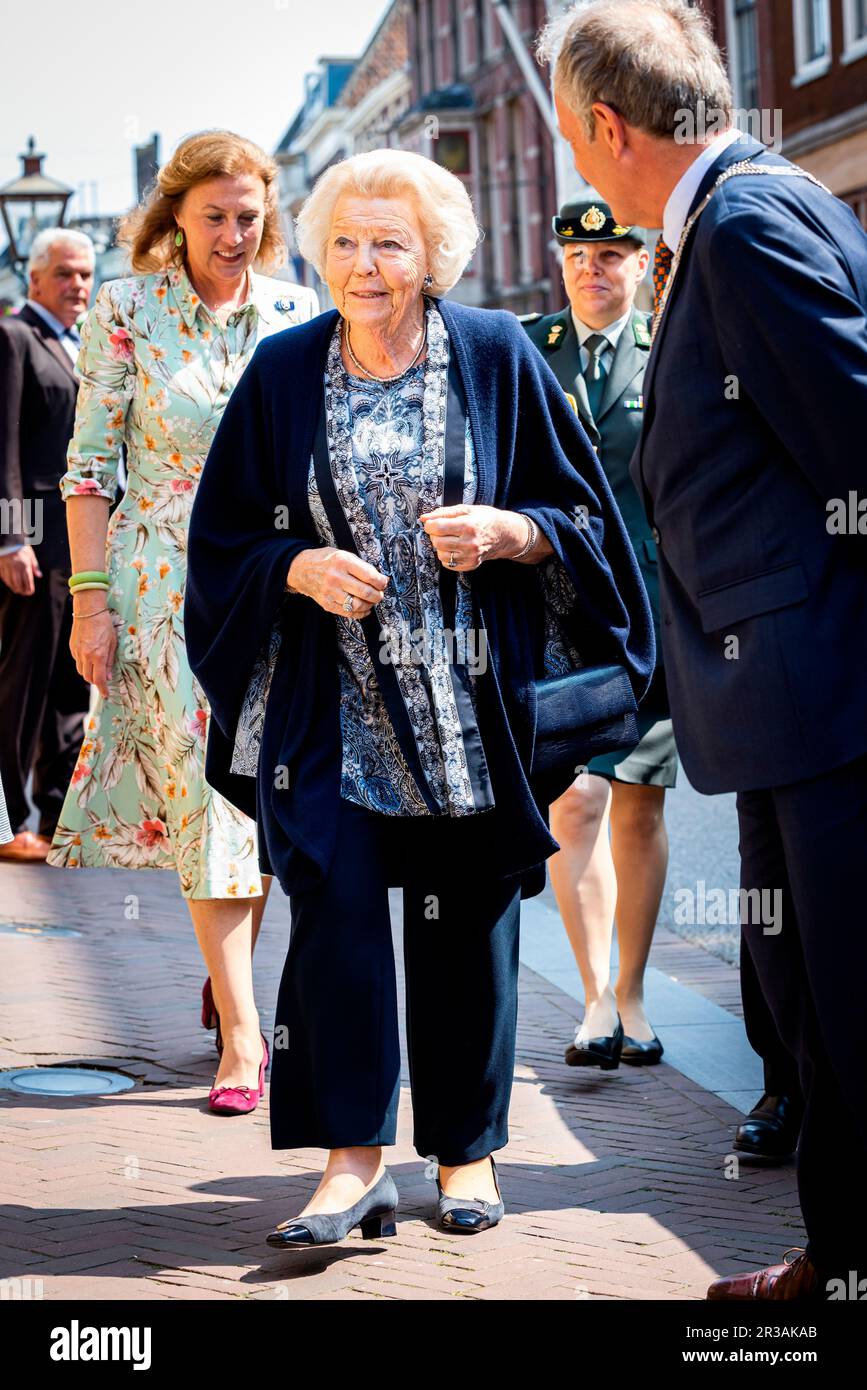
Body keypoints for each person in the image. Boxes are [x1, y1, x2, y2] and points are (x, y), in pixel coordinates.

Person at [184, 147, 654, 1247]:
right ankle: (352, 1163)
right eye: (344, 242)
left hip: (467, 707)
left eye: (389, 242)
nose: (365, 264)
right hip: (331, 703)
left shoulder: (494, 354)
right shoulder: (286, 369)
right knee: (337, 924)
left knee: (465, 930)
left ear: (433, 253)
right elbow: (224, 535)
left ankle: (465, 1152)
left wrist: (511, 531)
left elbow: (583, 513)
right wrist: (292, 569)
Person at [539, 0, 867, 1299]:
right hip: (789, 698)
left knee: (845, 1004)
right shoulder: (747, 211)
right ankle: (837, 1261)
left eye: (571, 138)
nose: (574, 160)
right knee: (814, 1009)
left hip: (826, 698)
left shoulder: (736, 227)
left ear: (607, 127)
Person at [45, 131, 318, 1116]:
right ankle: (243, 1038)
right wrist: (87, 599)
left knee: (269, 801)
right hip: (163, 579)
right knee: (207, 792)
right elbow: (86, 471)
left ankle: (228, 962)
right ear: (176, 219)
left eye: (250, 216)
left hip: (277, 581)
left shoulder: (299, 312)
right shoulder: (125, 310)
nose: (236, 235)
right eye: (216, 217)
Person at [522, 197, 675, 1070]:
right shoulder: (527, 350)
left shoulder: (669, 352)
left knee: (641, 803)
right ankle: (591, 1001)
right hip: (558, 612)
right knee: (575, 797)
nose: (591, 269)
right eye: (577, 255)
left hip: (650, 613)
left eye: (610, 255)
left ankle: (634, 993)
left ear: (636, 261)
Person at [0, 229, 94, 863]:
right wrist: (9, 536)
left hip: (75, 546)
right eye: (64, 274)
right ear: (35, 279)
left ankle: (57, 817)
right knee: (23, 686)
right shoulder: (13, 339)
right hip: (30, 540)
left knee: (68, 686)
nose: (77, 286)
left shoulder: (82, 347)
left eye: (85, 275)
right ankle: (14, 822)